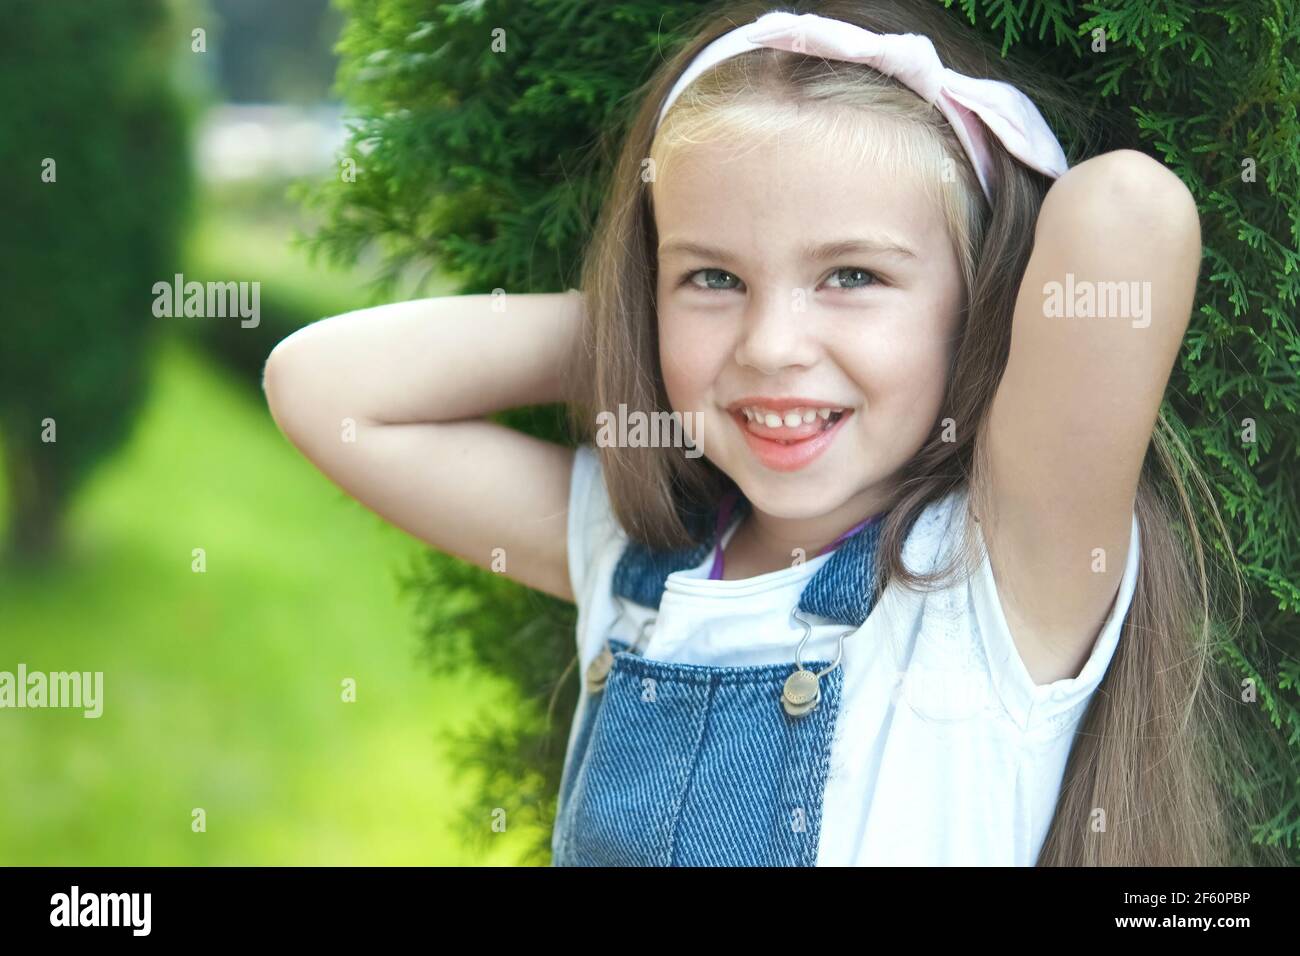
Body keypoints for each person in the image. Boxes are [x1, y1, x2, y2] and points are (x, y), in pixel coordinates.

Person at [263, 1, 1264, 865]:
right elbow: (321, 386)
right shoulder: (634, 555)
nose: (771, 344)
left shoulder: (997, 577)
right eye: (714, 277)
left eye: (852, 275)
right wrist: (632, 329)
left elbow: (1128, 208)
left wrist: (984, 288)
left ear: (978, 302)